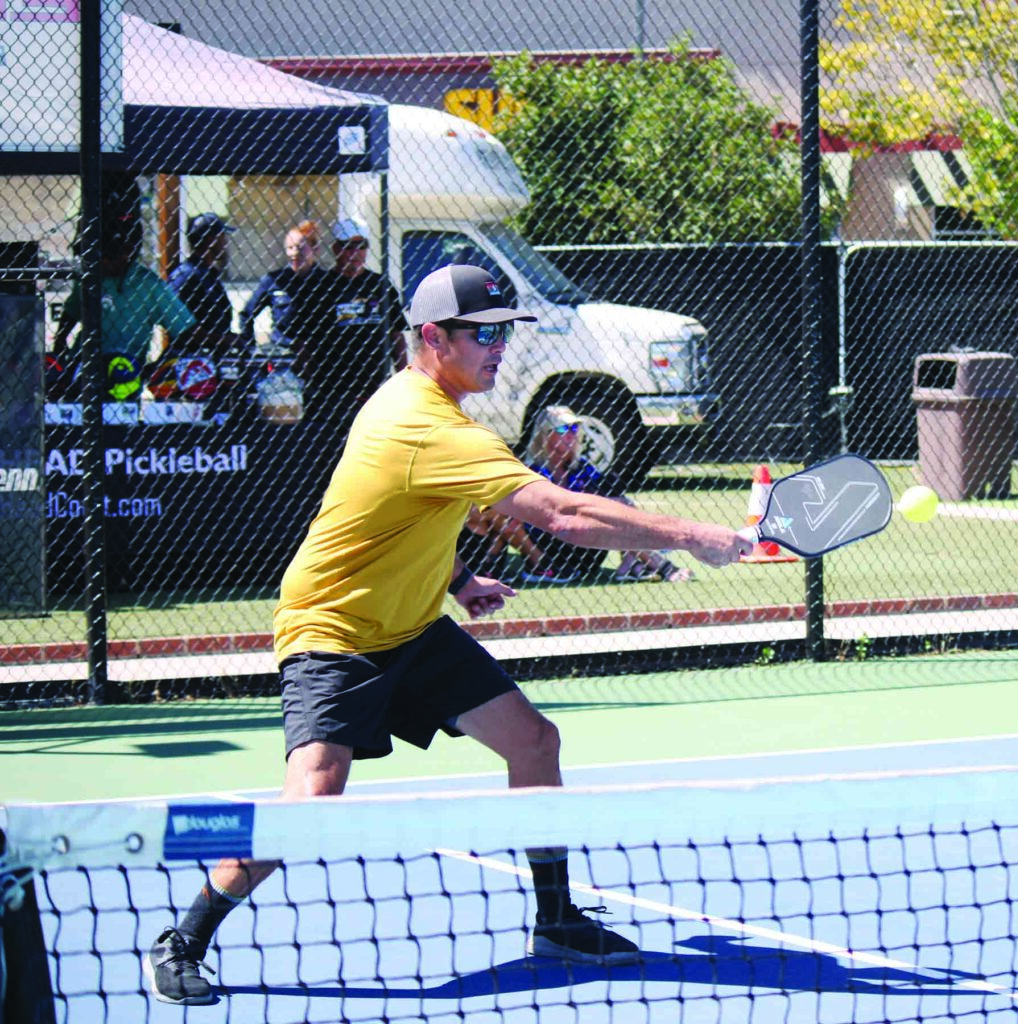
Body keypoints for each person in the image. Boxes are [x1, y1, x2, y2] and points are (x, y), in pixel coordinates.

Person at [143, 264, 752, 1006]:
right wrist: (691, 533)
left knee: (534, 742)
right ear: (433, 338)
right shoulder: (423, 422)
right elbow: (560, 514)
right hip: (334, 630)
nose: (500, 348)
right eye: (484, 334)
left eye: (506, 332)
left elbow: (406, 513)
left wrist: (459, 581)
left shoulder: (432, 411)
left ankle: (556, 919)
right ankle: (184, 937)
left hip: (413, 624)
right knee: (313, 801)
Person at [469, 405, 695, 584]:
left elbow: (612, 499)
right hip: (546, 543)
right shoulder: (530, 470)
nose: (569, 435)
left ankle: (632, 563)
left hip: (582, 545)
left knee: (619, 503)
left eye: (574, 429)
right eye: (561, 430)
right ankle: (658, 566)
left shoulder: (582, 468)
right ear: (544, 436)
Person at [53, 183, 197, 380]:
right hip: (84, 372)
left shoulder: (148, 285)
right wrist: (60, 344)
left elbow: (184, 329)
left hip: (125, 375)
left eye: (109, 259)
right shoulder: (90, 278)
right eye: (100, 258)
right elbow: (71, 312)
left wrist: (155, 368)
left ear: (126, 254)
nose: (103, 263)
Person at [297, 218, 408, 422]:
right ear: (336, 248)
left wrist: (404, 378)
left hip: (374, 387)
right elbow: (302, 340)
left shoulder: (379, 285)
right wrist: (310, 382)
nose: (355, 253)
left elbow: (396, 335)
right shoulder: (317, 287)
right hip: (330, 391)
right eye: (348, 246)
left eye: (361, 246)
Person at [239, 219, 327, 352]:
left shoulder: (327, 281)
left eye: (301, 247)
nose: (294, 253)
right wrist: (249, 347)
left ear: (315, 249)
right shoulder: (274, 280)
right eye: (290, 248)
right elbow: (246, 314)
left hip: (318, 352)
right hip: (282, 351)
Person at [167, 212, 239, 359]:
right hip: (191, 362)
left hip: (211, 358)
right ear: (211, 240)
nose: (225, 243)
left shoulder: (208, 273)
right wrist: (224, 340)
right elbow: (180, 329)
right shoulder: (185, 276)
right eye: (222, 237)